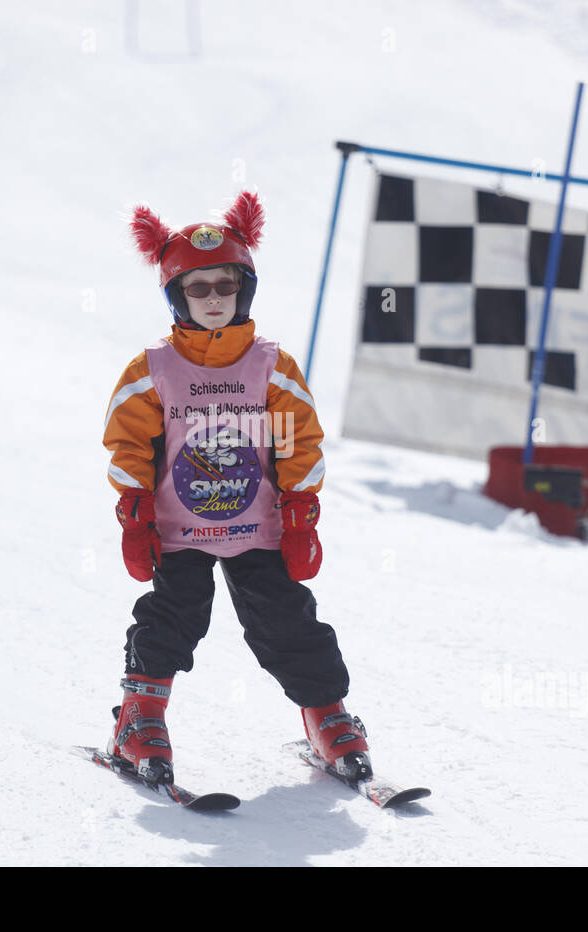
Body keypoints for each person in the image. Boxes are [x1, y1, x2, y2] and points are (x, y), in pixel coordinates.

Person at [101, 191, 371, 787]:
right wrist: (136, 512)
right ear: (177, 296)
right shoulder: (154, 370)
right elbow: (128, 442)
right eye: (199, 289)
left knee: (287, 620)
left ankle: (326, 715)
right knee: (172, 617)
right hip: (178, 529)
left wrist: (301, 508)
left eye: (226, 285)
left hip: (260, 527)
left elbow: (299, 438)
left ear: (244, 289)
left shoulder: (270, 367)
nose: (215, 300)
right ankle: (139, 718)